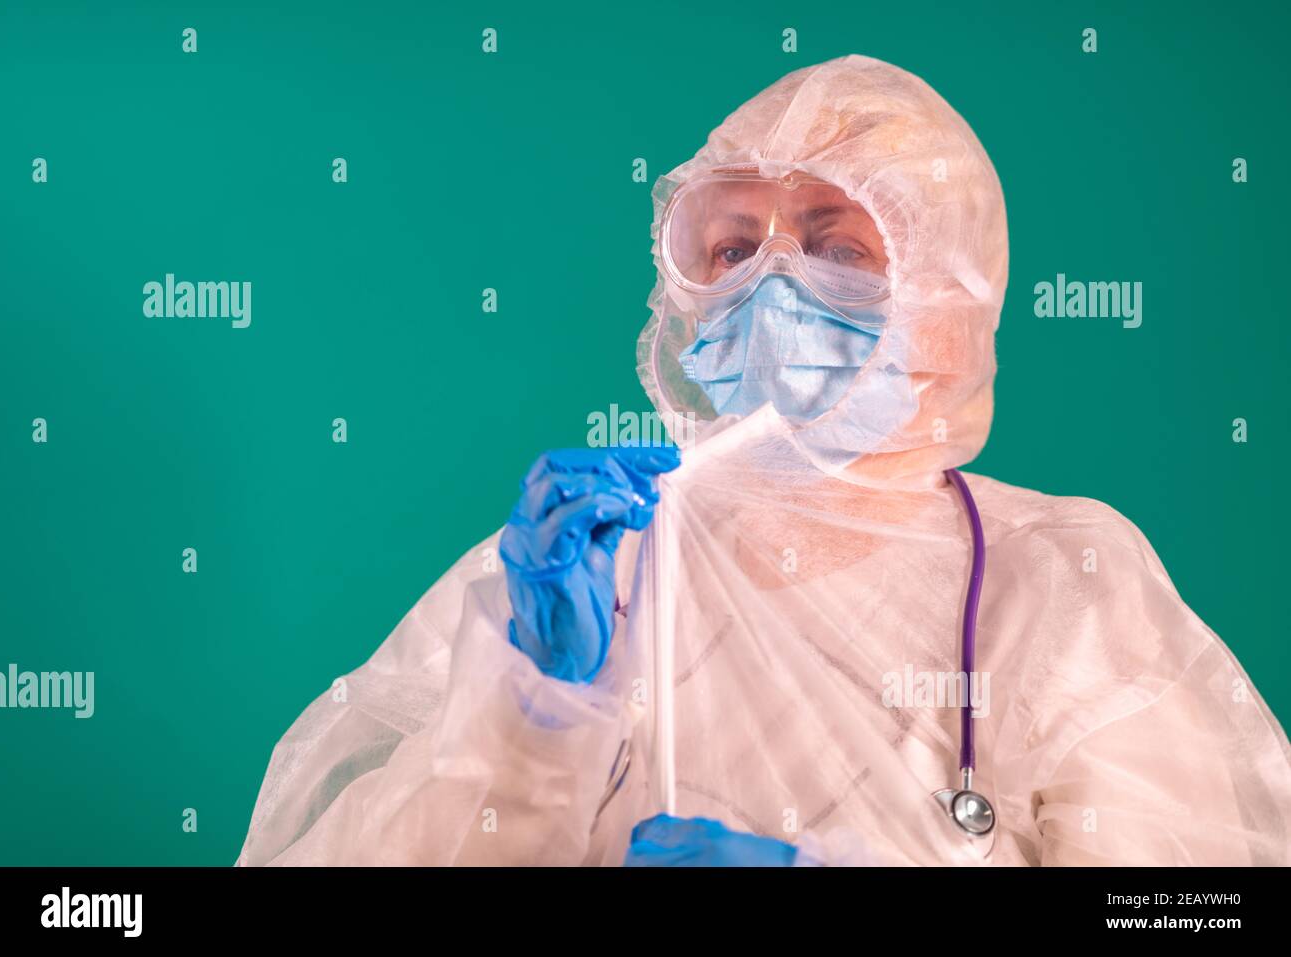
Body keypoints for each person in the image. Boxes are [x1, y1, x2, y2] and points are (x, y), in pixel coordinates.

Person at [237, 54, 1291, 867]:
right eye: (733, 250)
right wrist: (530, 707)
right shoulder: (579, 571)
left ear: (947, 299)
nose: (769, 291)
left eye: (837, 249)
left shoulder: (1056, 580)